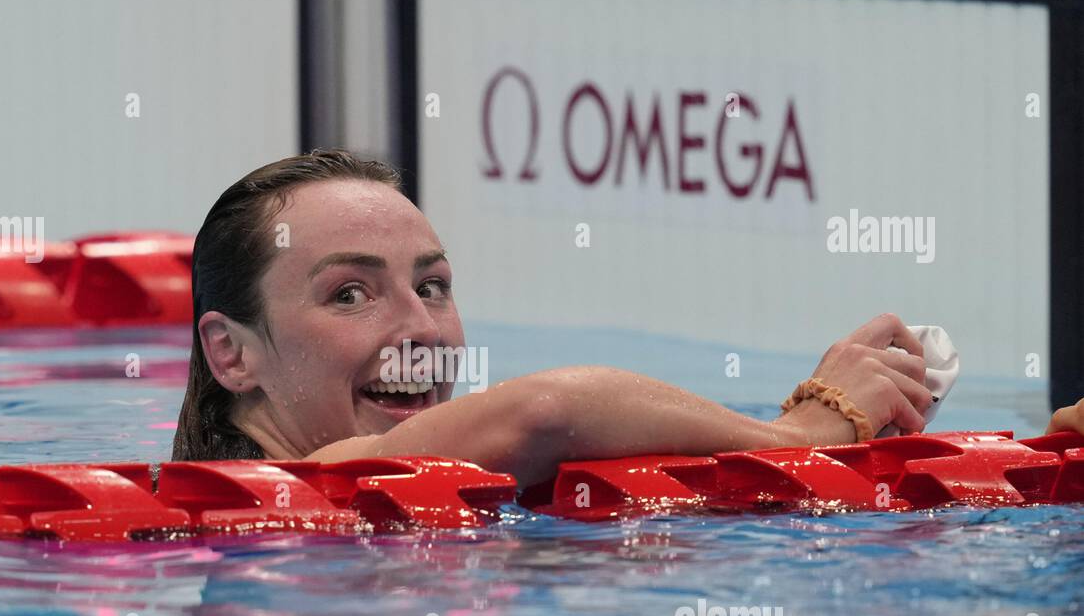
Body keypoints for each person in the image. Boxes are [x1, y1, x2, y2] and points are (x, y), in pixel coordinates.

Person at [173, 149, 933, 486]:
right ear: (232, 353)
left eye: (433, 286)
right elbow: (551, 408)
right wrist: (802, 436)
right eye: (350, 294)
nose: (423, 330)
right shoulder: (314, 480)